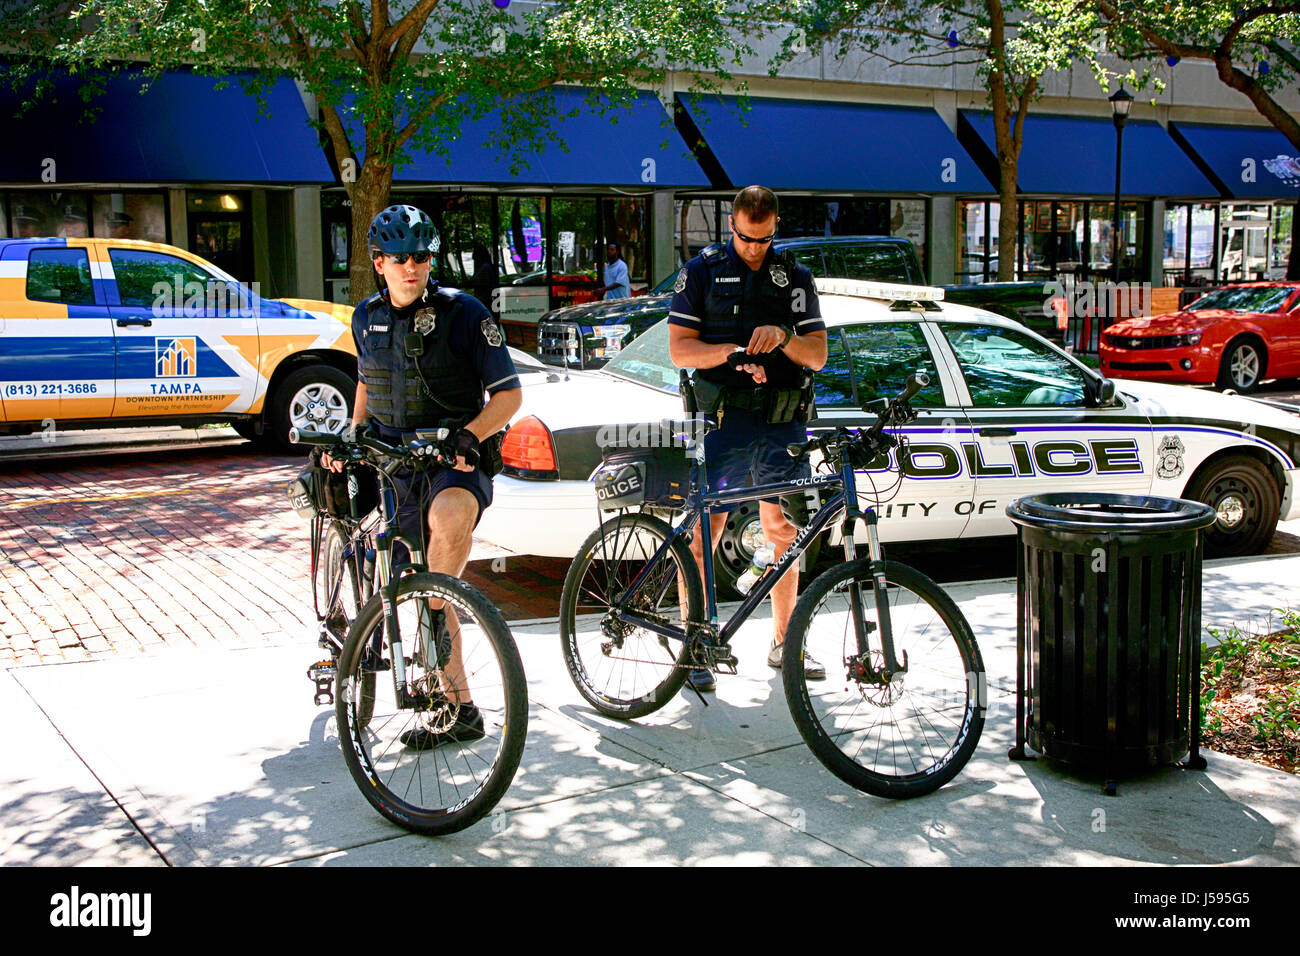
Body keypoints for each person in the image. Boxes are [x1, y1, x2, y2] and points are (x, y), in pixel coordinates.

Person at [325, 204, 523, 748]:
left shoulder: (465, 314)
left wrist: (470, 436)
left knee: (446, 532)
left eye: (420, 256)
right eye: (399, 258)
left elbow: (509, 396)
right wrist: (353, 433)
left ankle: (437, 623)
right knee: (404, 573)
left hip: (453, 462)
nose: (411, 267)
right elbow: (367, 379)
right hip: (394, 467)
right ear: (378, 262)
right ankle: (458, 707)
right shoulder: (365, 317)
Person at [668, 185, 828, 693]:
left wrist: (783, 337)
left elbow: (818, 355)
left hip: (782, 422)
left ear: (775, 228)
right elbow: (679, 350)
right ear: (732, 227)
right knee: (703, 535)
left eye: (763, 239)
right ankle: (696, 643)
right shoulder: (702, 272)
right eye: (745, 238)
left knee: (784, 531)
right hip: (722, 421)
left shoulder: (795, 277)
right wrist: (732, 352)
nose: (754, 248)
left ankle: (785, 642)